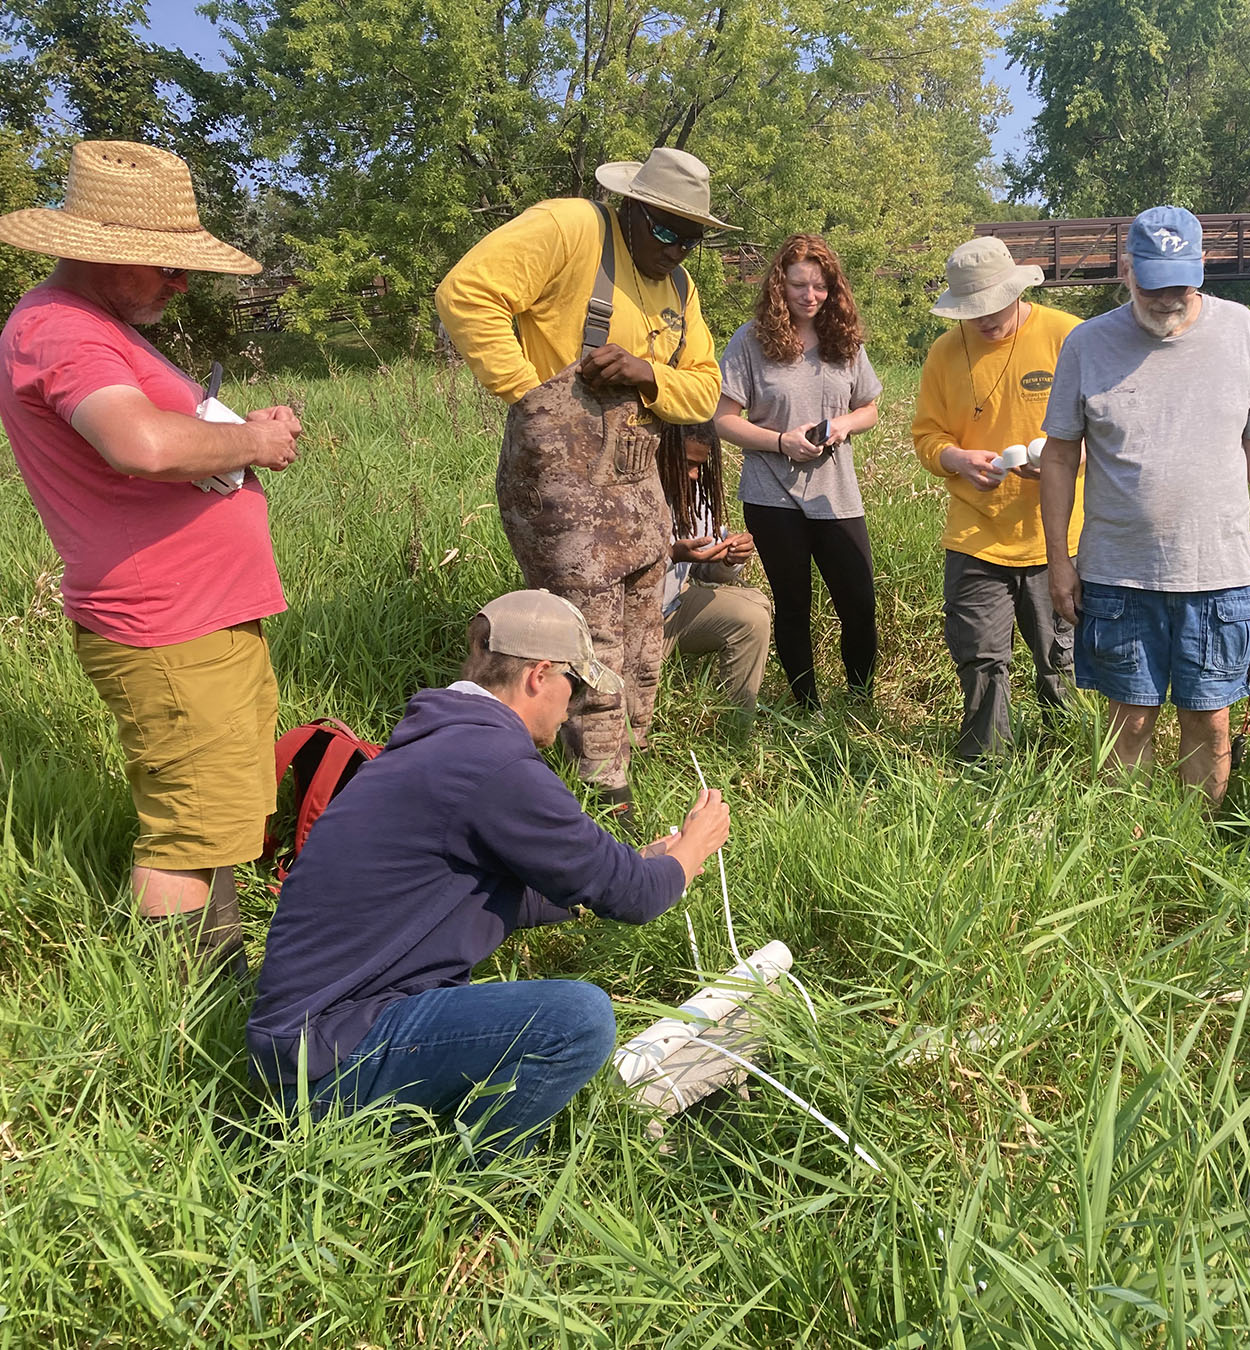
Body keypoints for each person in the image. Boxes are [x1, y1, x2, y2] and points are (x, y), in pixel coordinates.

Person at [248, 589, 731, 1159]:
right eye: (573, 691)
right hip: (325, 1061)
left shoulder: (440, 742)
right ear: (540, 675)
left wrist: (641, 865)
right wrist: (691, 851)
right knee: (578, 1020)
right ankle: (466, 1174)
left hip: (305, 1044)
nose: (570, 708)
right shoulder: (494, 763)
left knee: (552, 1017)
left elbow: (487, 894)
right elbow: (634, 898)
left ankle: (411, 1129)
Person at [0, 140, 303, 975]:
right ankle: (199, 1012)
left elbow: (160, 433)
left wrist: (235, 434)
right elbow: (135, 442)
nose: (181, 282)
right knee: (186, 832)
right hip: (164, 624)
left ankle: (224, 978)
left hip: (201, 614)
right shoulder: (59, 329)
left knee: (214, 812)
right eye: (167, 265)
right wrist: (256, 440)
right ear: (103, 250)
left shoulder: (93, 326)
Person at [436, 147, 731, 828]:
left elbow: (707, 388)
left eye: (694, 237)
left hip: (637, 483)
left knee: (642, 643)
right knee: (589, 640)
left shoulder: (680, 291)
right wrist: (532, 397)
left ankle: (627, 757)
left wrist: (647, 375)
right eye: (667, 230)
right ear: (631, 207)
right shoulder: (572, 229)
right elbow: (466, 293)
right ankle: (604, 800)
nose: (680, 250)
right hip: (562, 481)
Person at [1038, 205, 1250, 802]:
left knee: (1210, 720)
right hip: (1118, 575)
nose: (1166, 298)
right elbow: (1058, 456)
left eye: (1179, 284)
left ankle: (1193, 844)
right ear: (1126, 270)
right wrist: (1058, 559)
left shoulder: (1240, 329)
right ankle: (1130, 852)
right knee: (1129, 721)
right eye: (1152, 284)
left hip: (1219, 575)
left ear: (1202, 266)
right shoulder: (1087, 343)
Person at [912, 237, 1084, 760]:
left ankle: (1072, 762)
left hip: (1058, 539)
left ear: (1016, 290)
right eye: (972, 311)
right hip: (975, 536)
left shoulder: (1067, 336)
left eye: (993, 305)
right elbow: (927, 436)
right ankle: (986, 774)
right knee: (982, 661)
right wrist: (956, 459)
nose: (984, 320)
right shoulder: (944, 353)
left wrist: (1058, 467)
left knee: (1063, 664)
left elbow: (1107, 429)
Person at [715, 234, 882, 709]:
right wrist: (781, 441)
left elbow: (869, 408)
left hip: (836, 494)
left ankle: (859, 700)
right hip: (772, 496)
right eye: (798, 286)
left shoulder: (843, 339)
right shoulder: (750, 340)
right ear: (778, 285)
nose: (810, 296)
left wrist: (843, 425)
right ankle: (805, 706)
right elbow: (723, 420)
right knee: (794, 606)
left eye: (821, 287)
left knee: (859, 603)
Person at [659, 420, 770, 719]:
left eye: (701, 465)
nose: (696, 474)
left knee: (753, 614)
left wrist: (729, 558)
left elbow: (704, 571)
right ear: (660, 452)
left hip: (671, 608)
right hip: (631, 623)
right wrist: (670, 555)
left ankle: (736, 727)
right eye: (688, 464)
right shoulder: (628, 496)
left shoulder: (693, 495)